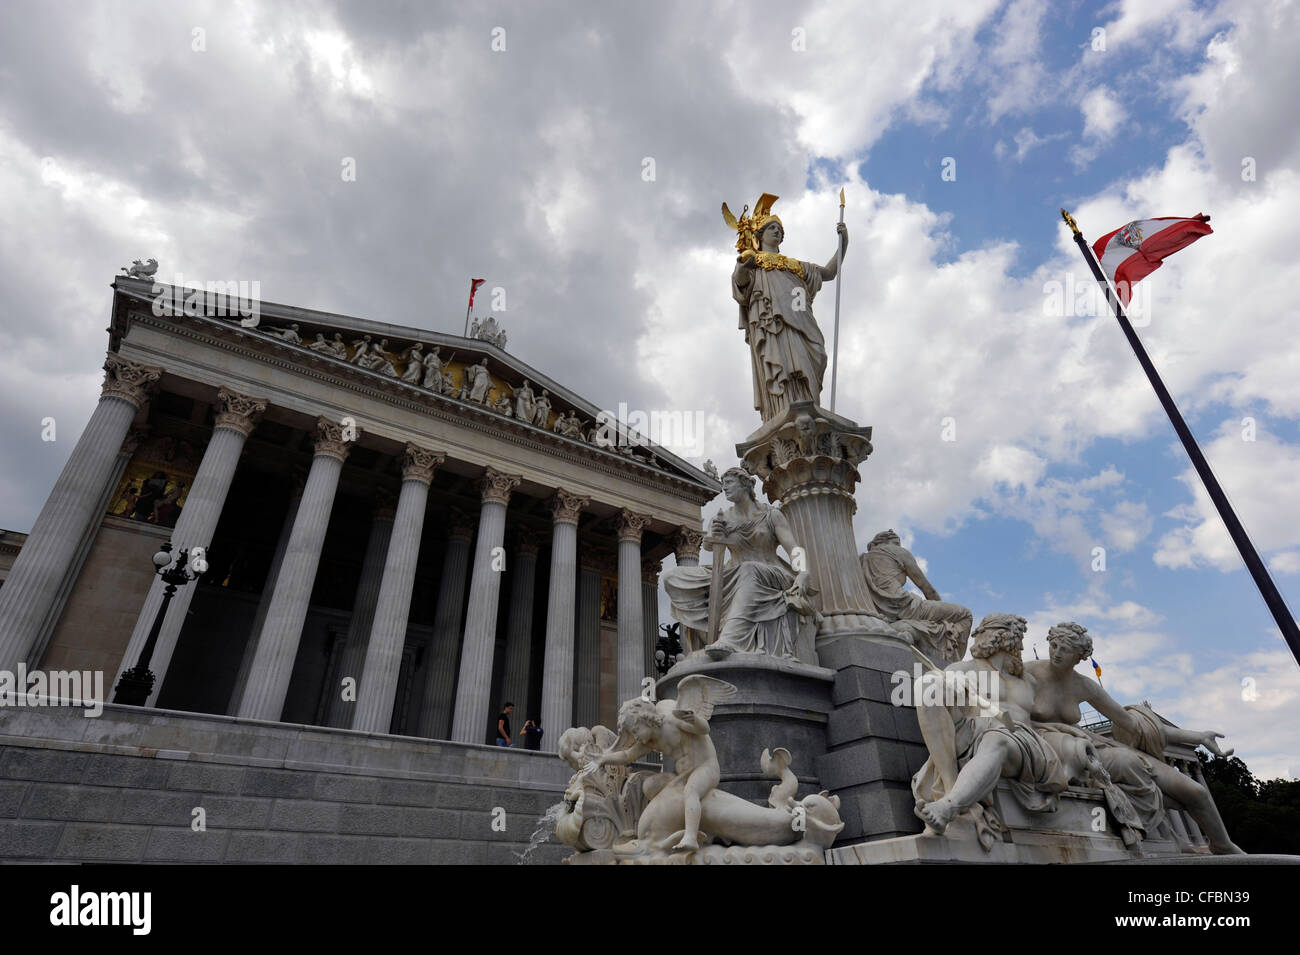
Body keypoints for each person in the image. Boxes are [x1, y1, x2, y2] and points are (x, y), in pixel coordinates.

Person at [1024, 621, 1243, 854]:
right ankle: (1169, 835)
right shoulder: (1028, 672)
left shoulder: (1085, 686)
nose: (1056, 653)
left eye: (1065, 649)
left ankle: (1222, 844)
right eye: (1054, 645)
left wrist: (1197, 736)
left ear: (1079, 657)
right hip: (1059, 749)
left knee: (1195, 792)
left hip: (1094, 745)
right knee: (1129, 765)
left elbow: (1133, 725)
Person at [662, 467, 815, 659]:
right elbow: (710, 546)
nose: (724, 488)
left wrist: (803, 572)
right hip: (731, 572)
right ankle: (709, 634)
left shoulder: (771, 515)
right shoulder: (722, 518)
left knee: (749, 569)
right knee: (672, 577)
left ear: (745, 485)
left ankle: (731, 639)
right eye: (723, 484)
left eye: (729, 483)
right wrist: (714, 534)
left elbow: (794, 548)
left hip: (770, 573)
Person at [728, 194, 847, 421]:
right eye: (771, 228)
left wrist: (843, 243)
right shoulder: (754, 261)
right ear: (760, 235)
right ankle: (782, 412)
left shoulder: (796, 266)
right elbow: (740, 284)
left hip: (801, 322)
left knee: (816, 356)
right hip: (773, 325)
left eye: (779, 229)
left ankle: (810, 406)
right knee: (782, 366)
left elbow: (829, 273)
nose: (777, 232)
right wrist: (744, 267)